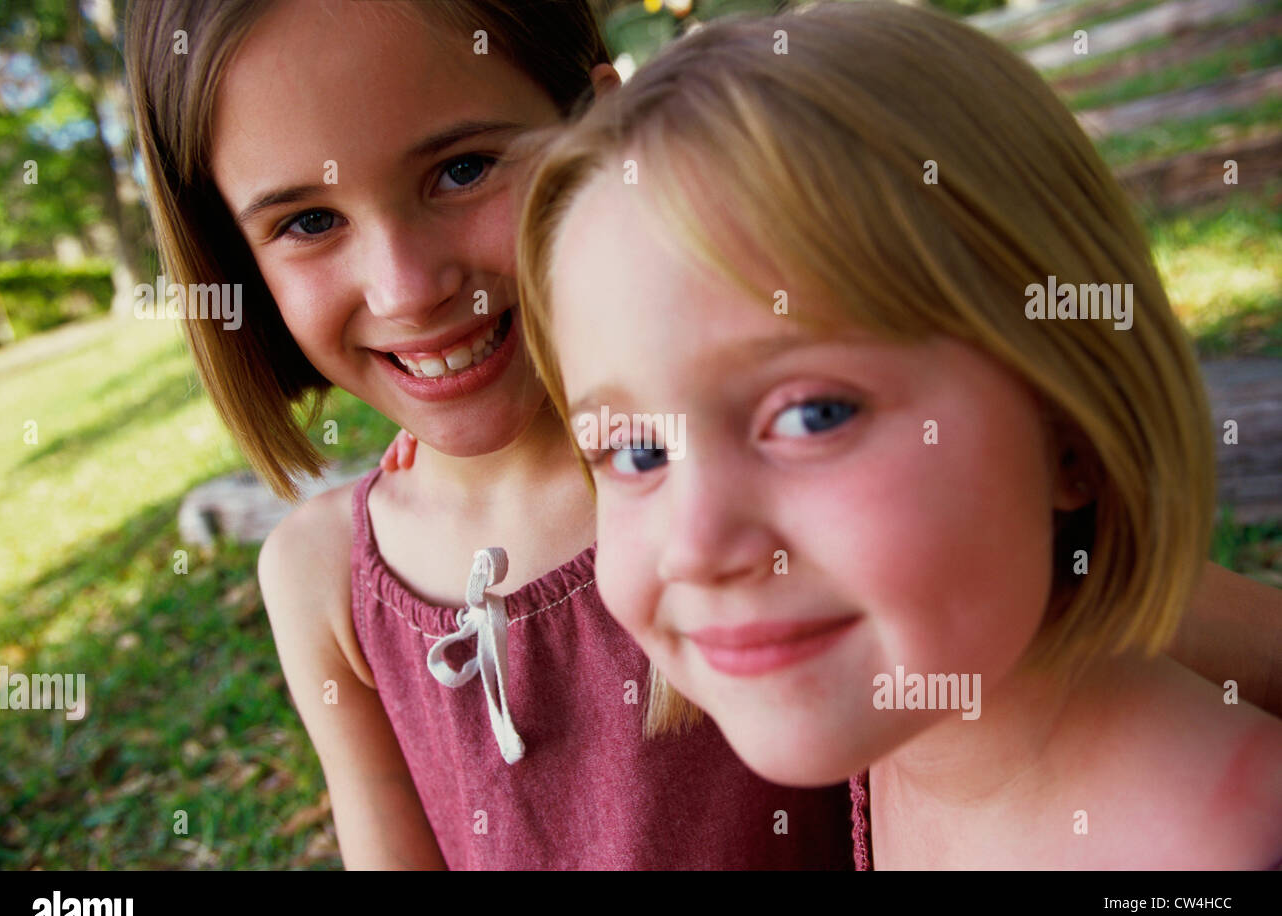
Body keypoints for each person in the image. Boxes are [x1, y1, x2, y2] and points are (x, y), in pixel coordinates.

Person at [515, 0, 1282, 867]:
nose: (697, 545)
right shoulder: (897, 749)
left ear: (1071, 430)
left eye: (813, 414)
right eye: (636, 450)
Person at [125, 0, 853, 869]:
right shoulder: (319, 577)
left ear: (603, 128)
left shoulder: (768, 455)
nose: (406, 289)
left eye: (463, 169)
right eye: (310, 222)